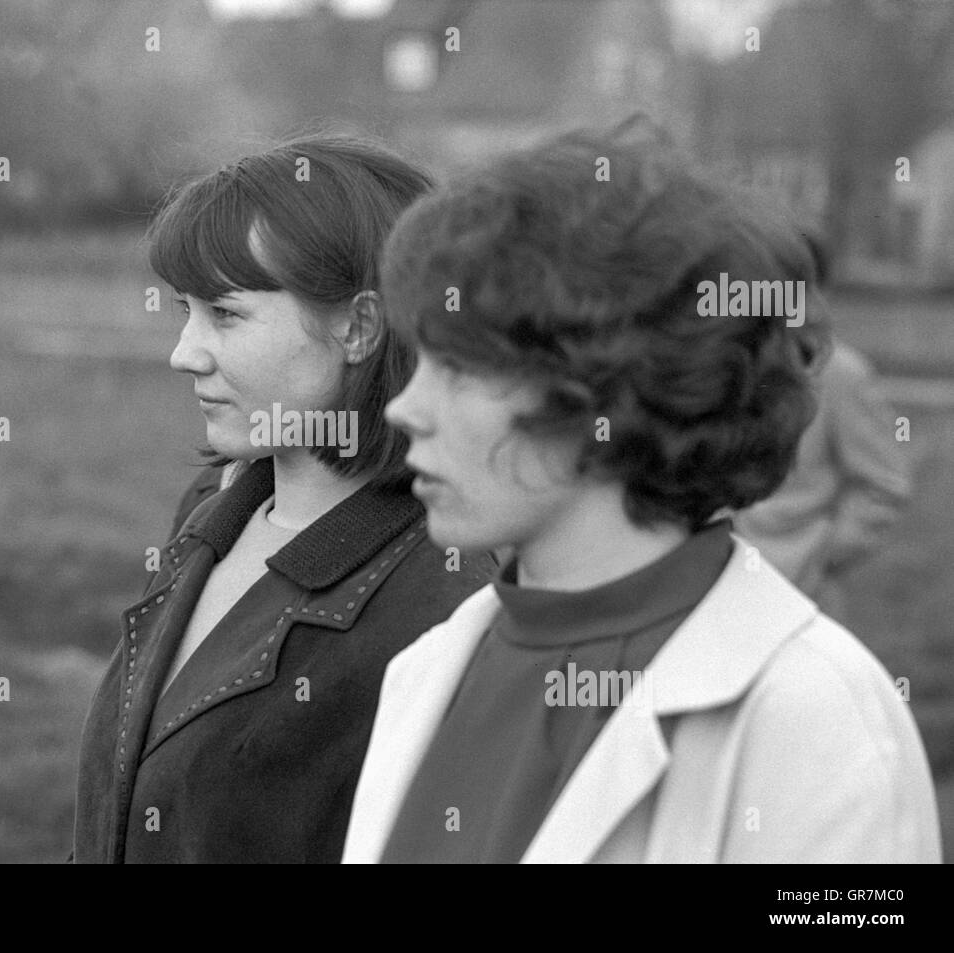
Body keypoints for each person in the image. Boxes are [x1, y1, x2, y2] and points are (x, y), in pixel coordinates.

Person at [342, 122, 940, 863]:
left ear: (610, 388)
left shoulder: (819, 714)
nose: (405, 406)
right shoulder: (431, 667)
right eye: (421, 359)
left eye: (461, 367)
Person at [72, 134, 495, 863]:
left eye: (224, 314)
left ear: (359, 327)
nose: (184, 351)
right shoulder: (213, 507)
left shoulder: (449, 599)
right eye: (185, 309)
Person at [734, 337, 912, 621]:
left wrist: (823, 557)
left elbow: (882, 483)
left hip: (800, 592)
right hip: (698, 590)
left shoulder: (840, 372)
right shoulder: (689, 358)